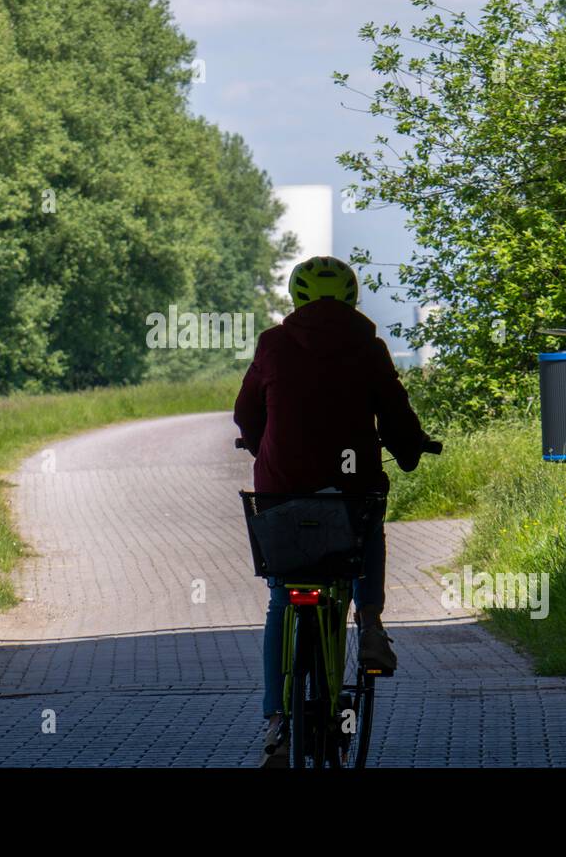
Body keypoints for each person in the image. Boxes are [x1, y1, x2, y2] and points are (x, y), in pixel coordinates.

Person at [233, 255, 434, 763]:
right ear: (352, 297)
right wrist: (410, 449)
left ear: (295, 297)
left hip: (282, 495)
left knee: (283, 599)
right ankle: (369, 623)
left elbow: (245, 411)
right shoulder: (368, 348)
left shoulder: (273, 345)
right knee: (366, 529)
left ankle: (277, 722)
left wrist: (262, 448)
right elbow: (394, 413)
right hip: (350, 489)